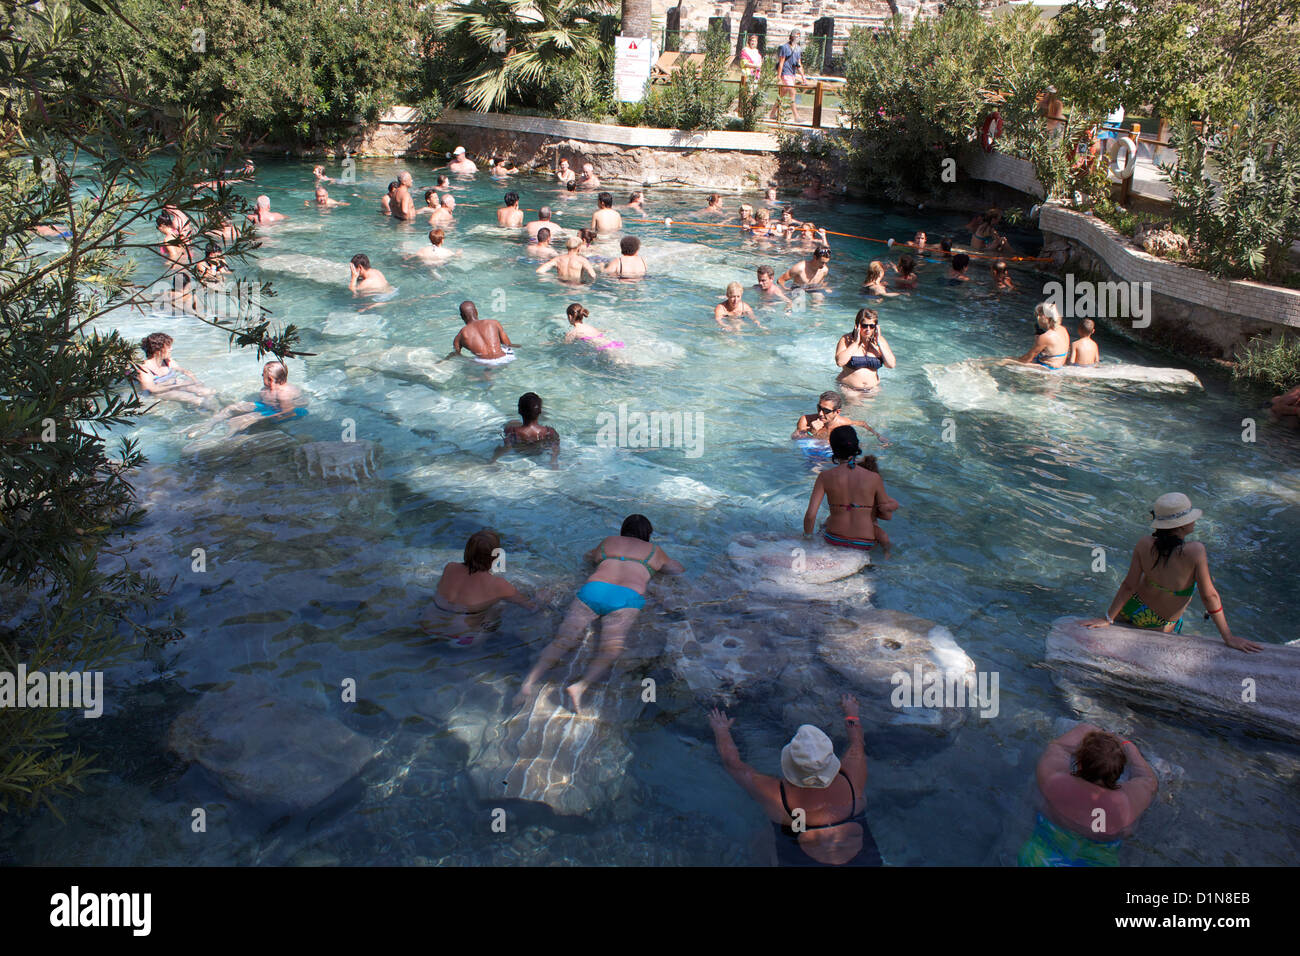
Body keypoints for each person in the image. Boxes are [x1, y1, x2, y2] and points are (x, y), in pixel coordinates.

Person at [518, 514, 684, 711]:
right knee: (611, 648)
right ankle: (580, 686)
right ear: (648, 534)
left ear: (623, 530)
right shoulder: (655, 550)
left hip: (593, 590)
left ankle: (528, 682)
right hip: (626, 598)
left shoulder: (609, 541)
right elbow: (677, 570)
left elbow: (589, 557)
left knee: (562, 640)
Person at [710, 696, 882, 867]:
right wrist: (851, 713)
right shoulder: (852, 780)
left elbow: (732, 764)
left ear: (791, 765)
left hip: (803, 859)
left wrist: (721, 730)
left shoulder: (776, 795)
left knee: (762, 839)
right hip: (863, 860)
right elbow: (857, 743)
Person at [1083, 494, 1260, 652]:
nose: (1194, 521)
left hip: (1131, 607)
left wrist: (1108, 618)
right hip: (1159, 621)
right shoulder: (1195, 551)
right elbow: (1209, 596)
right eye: (1191, 517)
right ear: (1181, 525)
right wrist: (1228, 637)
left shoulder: (1144, 543)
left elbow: (1129, 585)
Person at [1018, 724, 1157, 867]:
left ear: (1078, 764)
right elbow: (1147, 779)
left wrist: (1091, 728)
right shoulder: (1126, 805)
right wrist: (1127, 744)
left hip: (1039, 860)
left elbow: (1059, 747)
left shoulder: (1053, 781)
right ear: (1119, 772)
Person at [419, 530, 539, 644]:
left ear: (466, 551)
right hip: (461, 639)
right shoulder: (499, 585)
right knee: (499, 606)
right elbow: (531, 607)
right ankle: (477, 649)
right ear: (496, 556)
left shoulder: (450, 567)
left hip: (428, 626)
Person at [803, 425, 898, 550]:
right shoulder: (874, 477)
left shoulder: (824, 476)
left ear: (832, 447)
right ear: (856, 445)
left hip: (834, 538)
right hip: (865, 541)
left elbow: (811, 515)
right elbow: (886, 512)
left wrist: (807, 538)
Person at [185, 360, 307, 440]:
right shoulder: (267, 388)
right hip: (270, 408)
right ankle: (207, 425)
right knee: (232, 408)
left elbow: (288, 413)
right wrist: (249, 410)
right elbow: (261, 404)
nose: (261, 377)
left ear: (270, 379)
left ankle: (221, 439)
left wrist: (258, 417)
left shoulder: (283, 394)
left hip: (288, 412)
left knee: (239, 421)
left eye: (262, 375)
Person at [135, 332, 215, 407]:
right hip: (160, 392)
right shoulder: (144, 369)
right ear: (158, 350)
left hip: (174, 384)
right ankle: (210, 415)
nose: (171, 349)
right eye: (168, 347)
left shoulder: (167, 361)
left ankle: (211, 410)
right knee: (196, 399)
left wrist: (195, 381)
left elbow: (185, 371)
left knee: (208, 391)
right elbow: (151, 390)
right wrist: (179, 385)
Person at [793, 391, 888, 446]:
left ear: (837, 412)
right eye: (819, 408)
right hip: (812, 449)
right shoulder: (806, 420)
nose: (820, 413)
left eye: (826, 411)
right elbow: (795, 439)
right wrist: (811, 432)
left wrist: (878, 436)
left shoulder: (843, 423)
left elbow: (862, 423)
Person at [836, 308, 896, 396]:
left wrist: (879, 343)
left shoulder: (880, 341)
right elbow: (840, 362)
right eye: (864, 325)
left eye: (872, 326)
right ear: (857, 325)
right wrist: (856, 343)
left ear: (876, 327)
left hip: (873, 390)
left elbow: (891, 365)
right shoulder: (846, 339)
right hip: (849, 389)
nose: (868, 329)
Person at [494, 392, 560, 467]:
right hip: (539, 453)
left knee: (512, 422)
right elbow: (556, 448)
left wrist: (493, 459)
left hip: (520, 454)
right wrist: (553, 461)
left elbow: (507, 447)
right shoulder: (549, 431)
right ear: (540, 411)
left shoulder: (512, 431)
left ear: (519, 411)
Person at [1013, 301, 1069, 369]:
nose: (1037, 319)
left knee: (1007, 361)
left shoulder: (1045, 337)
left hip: (1048, 370)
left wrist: (1012, 360)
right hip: (1058, 367)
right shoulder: (1063, 329)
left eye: (1037, 315)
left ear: (1044, 317)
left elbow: (1027, 359)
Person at [769, 31, 809, 122]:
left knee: (782, 94)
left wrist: (803, 77)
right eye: (795, 36)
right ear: (791, 37)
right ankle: (796, 116)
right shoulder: (784, 47)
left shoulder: (798, 49)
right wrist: (779, 76)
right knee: (792, 92)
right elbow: (781, 62)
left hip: (792, 74)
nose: (796, 38)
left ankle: (772, 113)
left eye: (798, 36)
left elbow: (799, 64)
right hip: (785, 73)